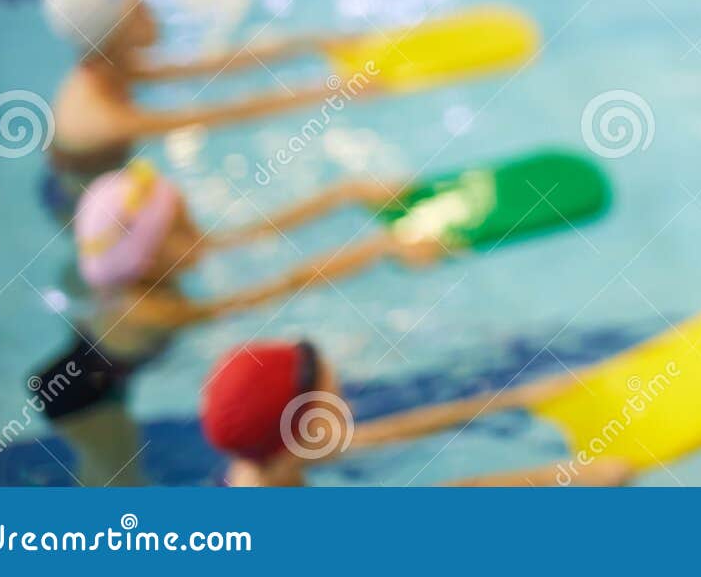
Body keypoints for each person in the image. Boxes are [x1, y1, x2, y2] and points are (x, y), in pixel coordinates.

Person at [32, 161, 435, 486]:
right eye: (183, 228)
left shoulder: (150, 265)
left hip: (99, 362)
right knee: (116, 483)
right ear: (147, 258)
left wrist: (341, 194)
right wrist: (376, 251)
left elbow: (254, 233)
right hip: (83, 394)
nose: (199, 234)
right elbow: (276, 289)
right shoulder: (151, 311)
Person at [39, 0, 365, 218]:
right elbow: (221, 116)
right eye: (139, 8)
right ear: (116, 32)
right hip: (82, 205)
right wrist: (334, 92)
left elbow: (214, 65)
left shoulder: (108, 65)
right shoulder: (102, 118)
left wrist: (311, 43)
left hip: (102, 182)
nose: (152, 12)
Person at [200, 341, 633, 487]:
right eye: (338, 401)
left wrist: (515, 399)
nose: (350, 405)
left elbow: (382, 434)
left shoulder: (264, 456)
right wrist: (564, 478)